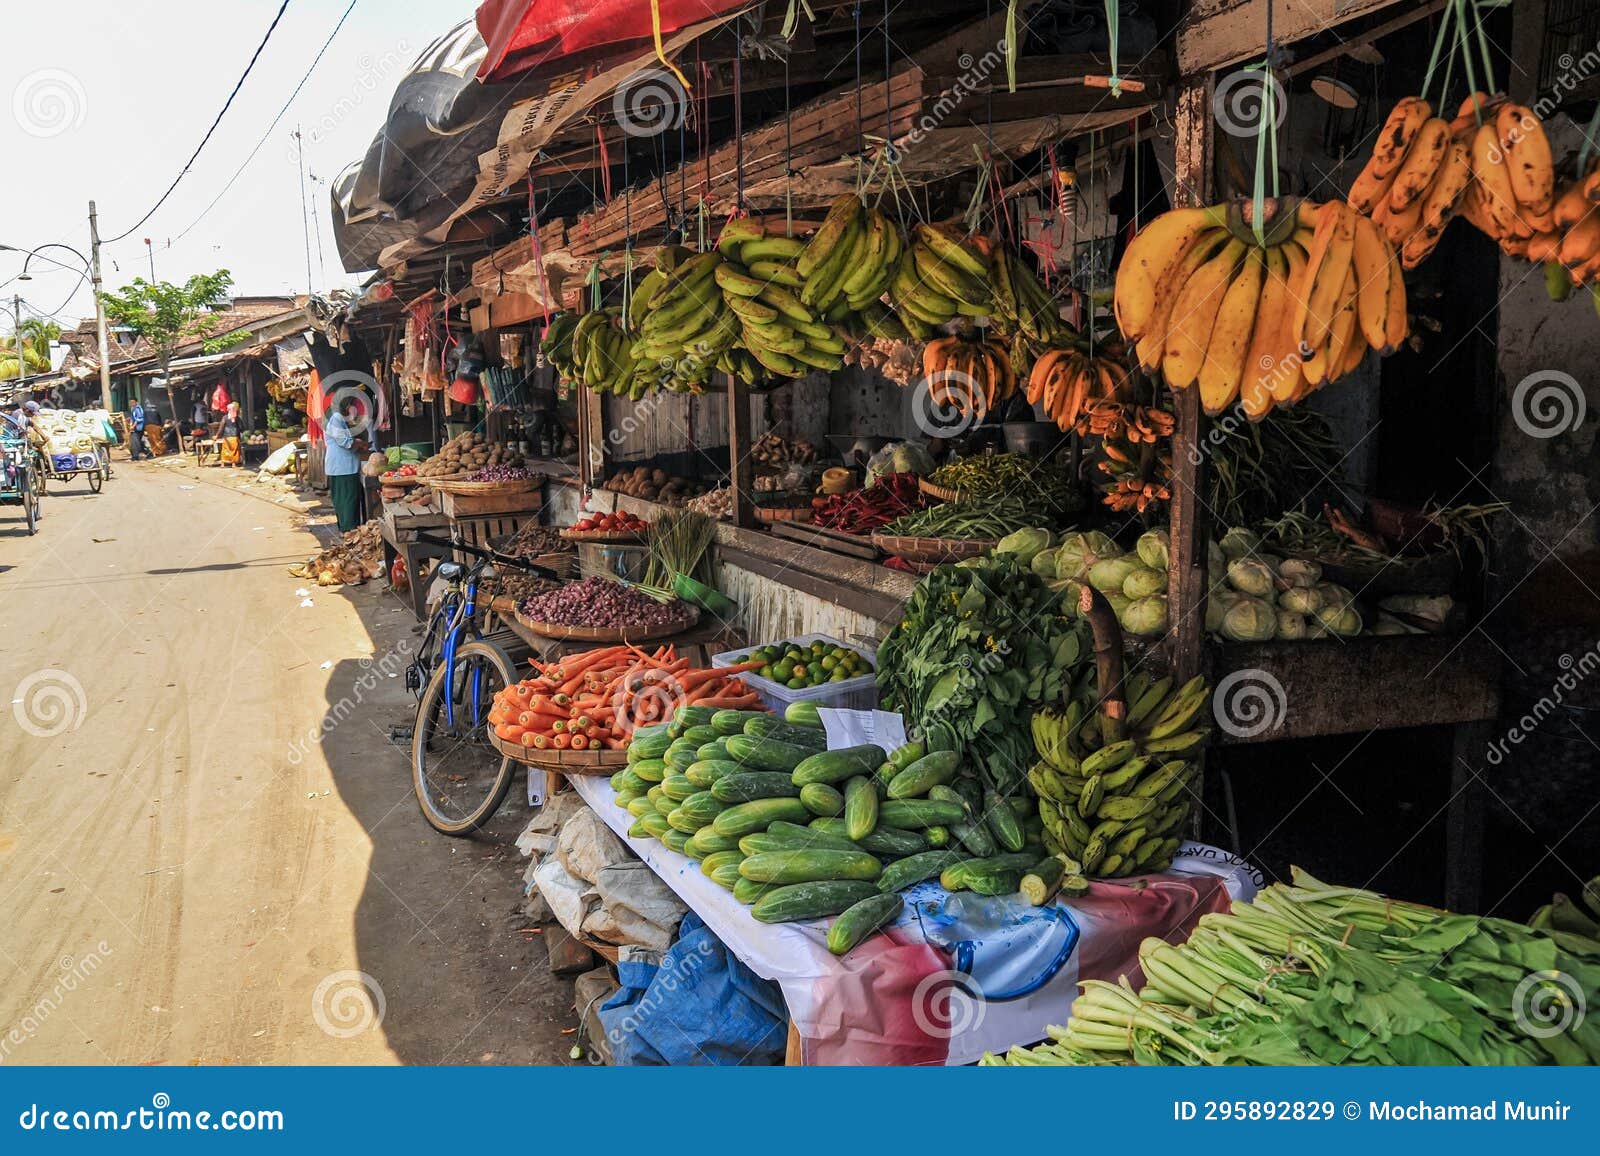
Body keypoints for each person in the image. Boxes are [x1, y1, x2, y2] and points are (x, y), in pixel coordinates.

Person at [324, 395, 368, 532]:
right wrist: (360, 443)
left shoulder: (336, 417)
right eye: (351, 406)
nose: (353, 409)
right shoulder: (336, 418)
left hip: (341, 467)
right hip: (343, 468)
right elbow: (345, 442)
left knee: (344, 502)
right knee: (348, 502)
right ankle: (349, 532)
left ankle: (347, 531)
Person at [219, 402, 244, 467]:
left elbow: (221, 427)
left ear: (228, 410)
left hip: (226, 437)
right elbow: (241, 427)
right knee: (234, 451)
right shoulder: (237, 418)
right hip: (234, 437)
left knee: (225, 450)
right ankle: (233, 463)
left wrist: (218, 435)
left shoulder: (225, 418)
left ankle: (223, 464)